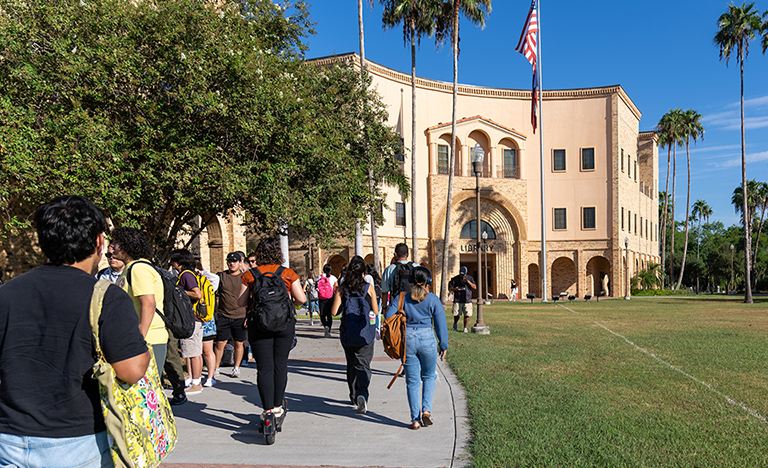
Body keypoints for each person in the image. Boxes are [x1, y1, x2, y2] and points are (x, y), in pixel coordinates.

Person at [0, 195, 149, 467]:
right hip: (77, 440)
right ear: (99, 242)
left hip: (8, 438)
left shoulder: (7, 292)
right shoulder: (106, 297)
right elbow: (132, 370)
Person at [238, 237, 306, 421]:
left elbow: (240, 301)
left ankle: (267, 409)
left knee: (264, 367)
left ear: (259, 254)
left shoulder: (250, 275)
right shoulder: (288, 273)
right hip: (284, 323)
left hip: (258, 324)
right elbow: (302, 300)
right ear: (278, 252)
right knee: (280, 365)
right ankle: (277, 407)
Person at [385, 266, 448, 430]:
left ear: (411, 281)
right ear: (428, 281)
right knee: (428, 376)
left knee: (412, 381)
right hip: (427, 338)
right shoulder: (433, 299)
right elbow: (441, 325)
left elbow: (388, 316)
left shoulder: (402, 297)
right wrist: (444, 345)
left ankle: (415, 420)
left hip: (408, 340)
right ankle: (426, 412)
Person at [111, 227, 169, 373]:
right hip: (138, 338)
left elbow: (149, 303)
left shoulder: (139, 269)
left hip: (147, 339)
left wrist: (139, 338)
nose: (113, 247)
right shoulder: (130, 268)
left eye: (116, 243)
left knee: (146, 392)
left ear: (127, 245)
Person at [331, 256, 378, 414]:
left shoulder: (342, 288)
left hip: (347, 332)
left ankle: (353, 394)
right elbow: (376, 311)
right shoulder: (369, 288)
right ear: (363, 273)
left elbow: (333, 312)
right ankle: (362, 394)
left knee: (351, 363)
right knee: (363, 364)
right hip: (365, 332)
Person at [170, 249, 205, 396]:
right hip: (194, 319)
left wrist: (179, 292)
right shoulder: (188, 274)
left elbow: (197, 293)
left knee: (193, 352)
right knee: (193, 351)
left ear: (179, 261)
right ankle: (194, 380)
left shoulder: (186, 275)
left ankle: (196, 382)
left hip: (191, 319)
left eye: (173, 260)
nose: (171, 263)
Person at [215, 252, 249, 378]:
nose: (231, 264)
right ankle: (216, 367)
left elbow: (250, 297)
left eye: (234, 261)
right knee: (220, 343)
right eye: (229, 261)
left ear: (239, 262)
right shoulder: (221, 276)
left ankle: (236, 367)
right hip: (224, 314)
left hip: (240, 315)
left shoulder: (245, 277)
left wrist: (248, 316)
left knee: (238, 343)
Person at [196, 260, 219, 386]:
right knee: (195, 351)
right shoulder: (188, 282)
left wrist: (202, 272)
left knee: (207, 350)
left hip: (206, 319)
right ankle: (195, 376)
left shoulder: (207, 282)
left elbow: (215, 278)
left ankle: (211, 376)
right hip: (193, 319)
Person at [381, 243, 417, 308]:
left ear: (395, 254)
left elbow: (384, 292)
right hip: (414, 306)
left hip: (396, 307)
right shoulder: (416, 267)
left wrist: (384, 307)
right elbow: (425, 289)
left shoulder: (389, 269)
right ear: (408, 254)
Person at [449, 266, 476, 333]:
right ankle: (455, 324)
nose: (462, 275)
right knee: (456, 314)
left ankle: (465, 328)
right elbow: (450, 288)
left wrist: (468, 282)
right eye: (461, 274)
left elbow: (474, 287)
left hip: (467, 299)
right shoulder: (455, 279)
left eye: (463, 274)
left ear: (466, 273)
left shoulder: (470, 278)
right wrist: (455, 289)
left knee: (467, 314)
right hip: (458, 299)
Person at [316, 264, 338, 338]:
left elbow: (316, 286)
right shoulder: (333, 278)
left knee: (322, 314)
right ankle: (328, 330)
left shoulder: (319, 277)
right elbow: (336, 288)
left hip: (321, 298)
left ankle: (325, 325)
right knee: (329, 315)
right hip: (330, 298)